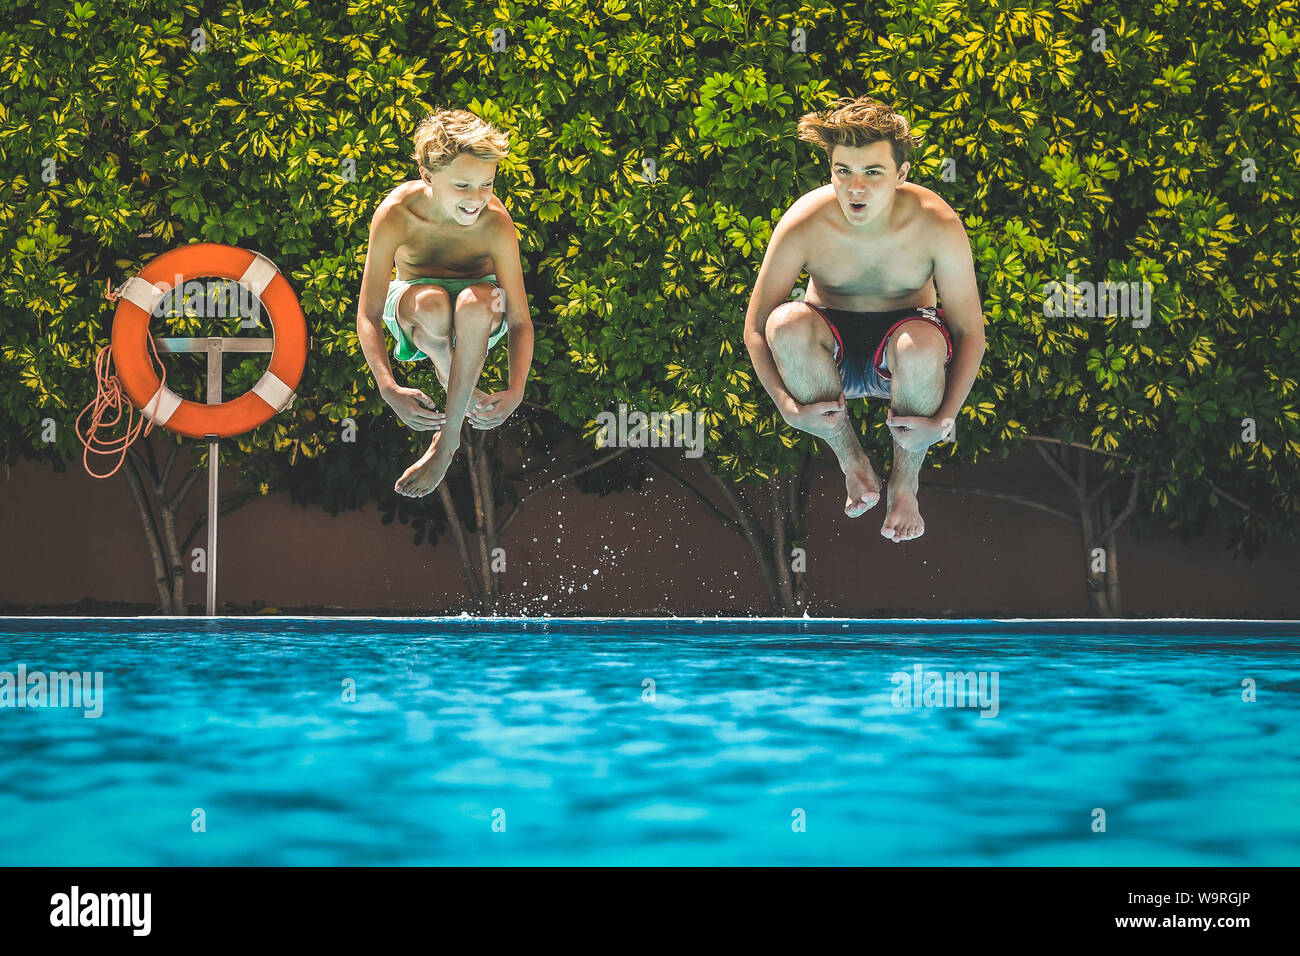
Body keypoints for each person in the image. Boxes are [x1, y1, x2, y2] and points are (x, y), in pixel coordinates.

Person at [744, 95, 986, 542]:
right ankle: (850, 457)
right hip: (827, 351)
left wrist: (945, 421)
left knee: (921, 343)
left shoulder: (937, 224)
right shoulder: (805, 221)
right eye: (844, 172)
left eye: (873, 173)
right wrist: (787, 407)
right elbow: (756, 328)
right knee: (785, 323)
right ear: (831, 170)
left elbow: (970, 333)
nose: (856, 188)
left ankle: (905, 480)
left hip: (902, 350)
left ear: (901, 174)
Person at [356, 108, 535, 497]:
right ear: (426, 175)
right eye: (462, 185)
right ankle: (445, 364)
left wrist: (516, 388)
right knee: (434, 304)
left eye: (486, 184)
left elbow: (520, 320)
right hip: (417, 309)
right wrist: (387, 387)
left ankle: (448, 440)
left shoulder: (495, 222)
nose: (476, 199)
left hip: (480, 310)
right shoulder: (396, 215)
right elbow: (368, 314)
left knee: (471, 304)